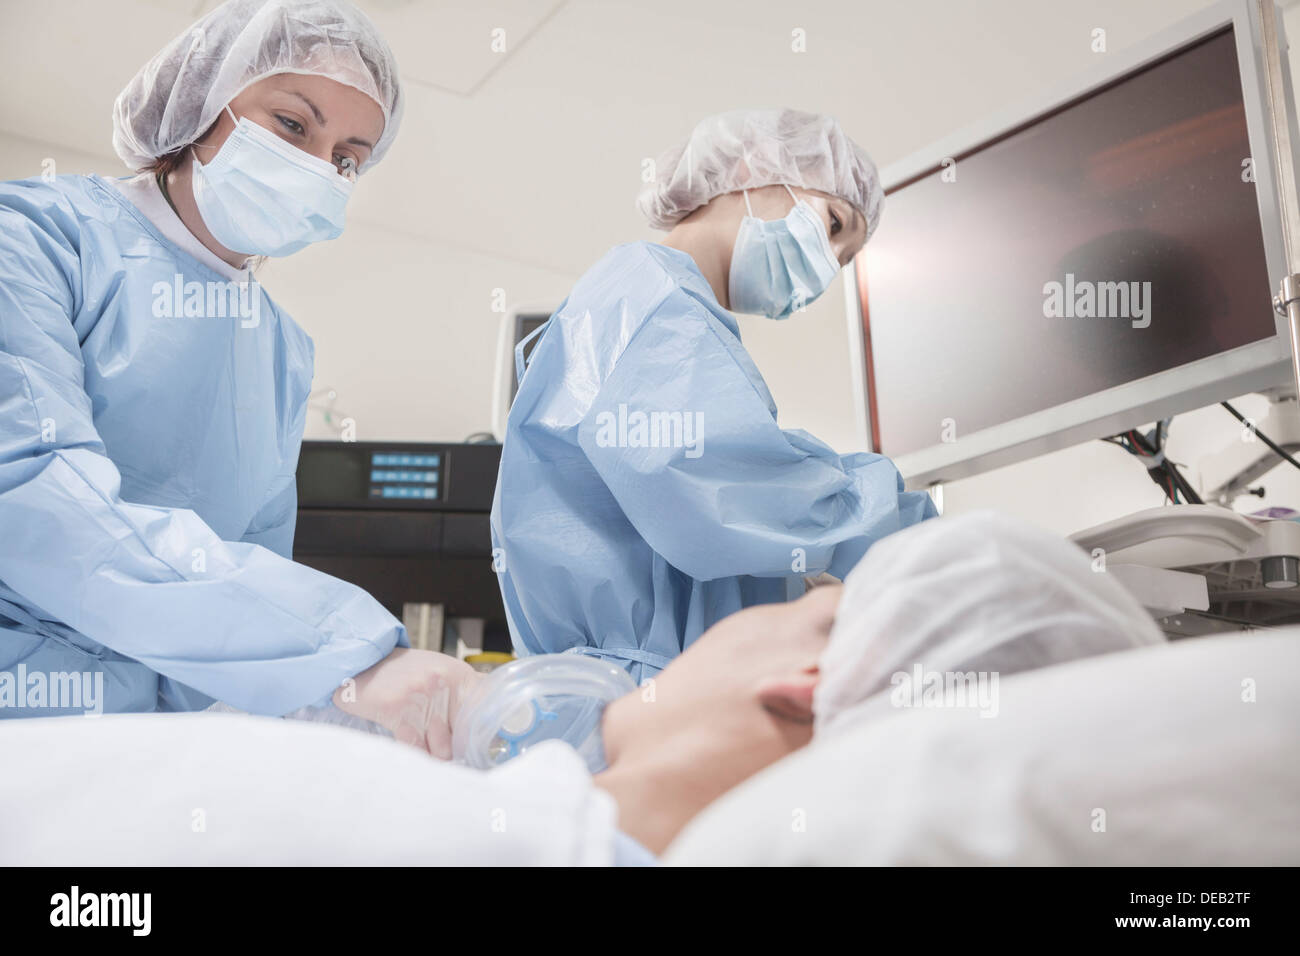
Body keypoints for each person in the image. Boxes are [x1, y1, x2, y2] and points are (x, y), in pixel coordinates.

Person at [0, 0, 471, 742]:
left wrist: (330, 701)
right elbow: (34, 497)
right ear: (200, 105)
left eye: (348, 157)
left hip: (160, 739)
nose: (320, 168)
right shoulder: (35, 241)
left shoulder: (280, 349)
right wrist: (350, 656)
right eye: (293, 124)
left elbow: (251, 564)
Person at [492, 108, 937, 683]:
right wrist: (925, 534)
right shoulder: (648, 294)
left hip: (647, 691)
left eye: (843, 261)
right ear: (754, 166)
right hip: (642, 697)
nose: (827, 266)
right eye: (831, 226)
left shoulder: (659, 306)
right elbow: (721, 483)